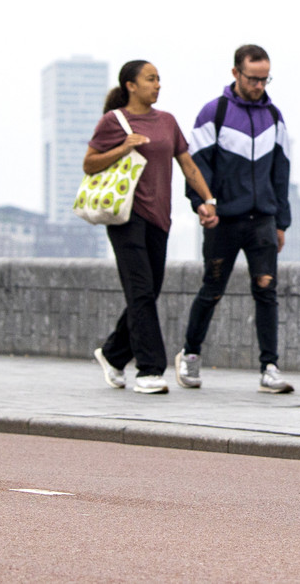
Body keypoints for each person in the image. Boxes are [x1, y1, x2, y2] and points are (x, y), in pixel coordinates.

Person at [87, 60, 218, 394]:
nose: (157, 85)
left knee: (148, 291)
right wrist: (123, 147)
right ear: (131, 85)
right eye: (150, 79)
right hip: (127, 219)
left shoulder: (167, 122)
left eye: (159, 79)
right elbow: (89, 164)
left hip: (160, 218)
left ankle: (114, 355)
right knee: (142, 292)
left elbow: (187, 164)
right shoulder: (114, 121)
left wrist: (208, 200)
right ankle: (149, 370)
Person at [176, 44, 294, 393]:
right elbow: (196, 164)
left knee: (266, 291)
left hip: (263, 221)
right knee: (212, 289)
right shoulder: (214, 113)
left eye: (264, 79)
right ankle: (191, 355)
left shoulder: (274, 117)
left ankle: (269, 367)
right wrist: (202, 203)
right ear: (235, 74)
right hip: (223, 219)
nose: (259, 85)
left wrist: (281, 222)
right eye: (253, 78)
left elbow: (282, 172)